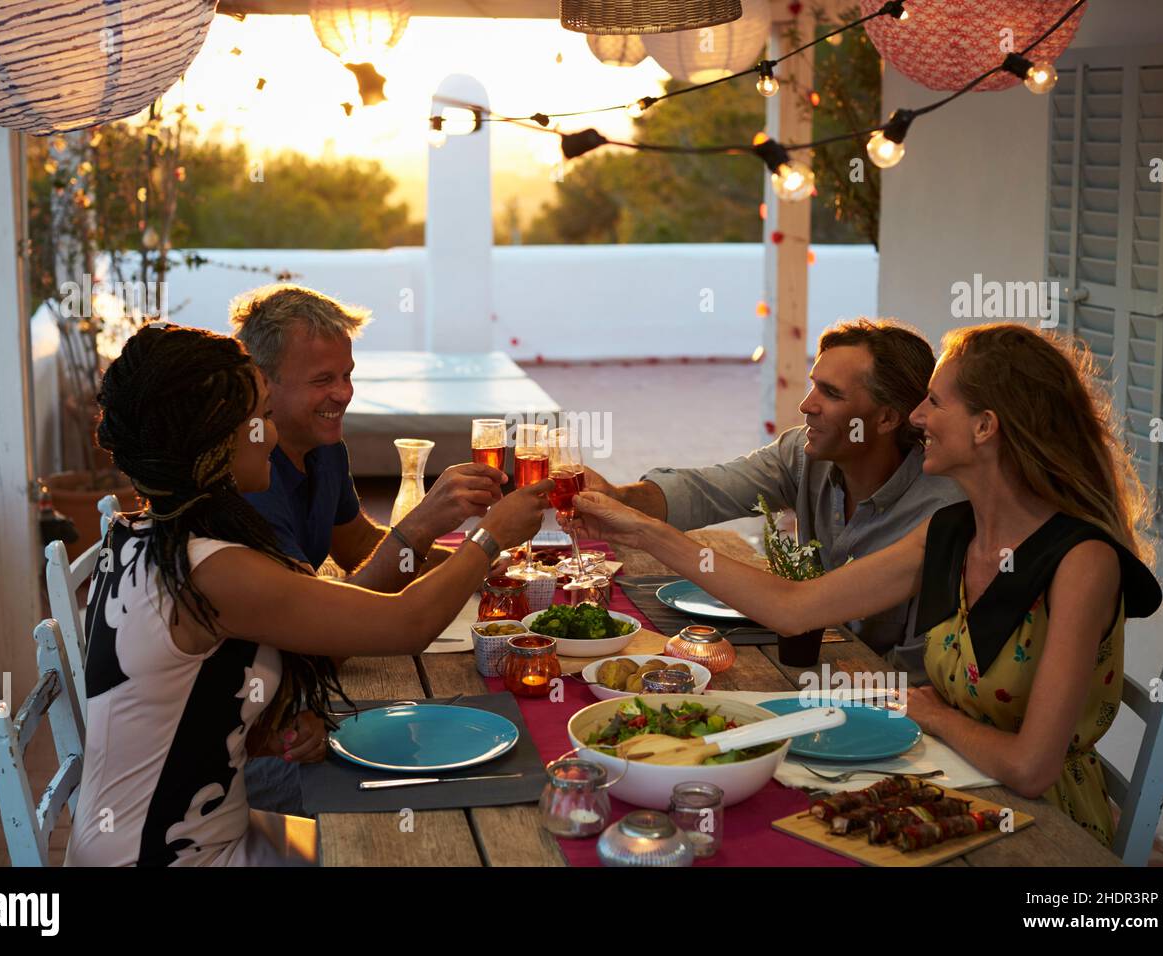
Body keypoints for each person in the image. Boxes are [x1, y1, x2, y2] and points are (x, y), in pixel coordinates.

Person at [569, 323, 1161, 847]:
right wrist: (644, 531)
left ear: (985, 427)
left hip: (1033, 826)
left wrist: (931, 712)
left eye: (934, 402)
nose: (918, 418)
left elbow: (1032, 769)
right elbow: (793, 608)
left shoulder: (1081, 561)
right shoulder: (951, 532)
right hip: (941, 777)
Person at [65, 325, 549, 866]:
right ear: (216, 439)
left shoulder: (142, 536)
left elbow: (169, 704)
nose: (271, 438)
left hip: (197, 834)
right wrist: (491, 536)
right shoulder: (212, 570)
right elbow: (407, 623)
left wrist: (261, 730)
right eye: (262, 419)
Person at [229, 284, 511, 811]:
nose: (343, 393)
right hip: (256, 742)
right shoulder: (248, 482)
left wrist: (476, 573)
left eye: (347, 375)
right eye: (323, 380)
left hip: (300, 692)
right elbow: (324, 641)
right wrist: (447, 531)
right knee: (452, 782)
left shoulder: (321, 448)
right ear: (262, 383)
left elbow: (359, 541)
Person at [577, 319, 964, 676]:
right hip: (816, 667)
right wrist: (616, 496)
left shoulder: (941, 510)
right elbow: (708, 490)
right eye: (814, 384)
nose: (806, 405)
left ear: (886, 419)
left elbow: (917, 674)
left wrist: (645, 532)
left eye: (830, 393)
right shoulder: (804, 455)